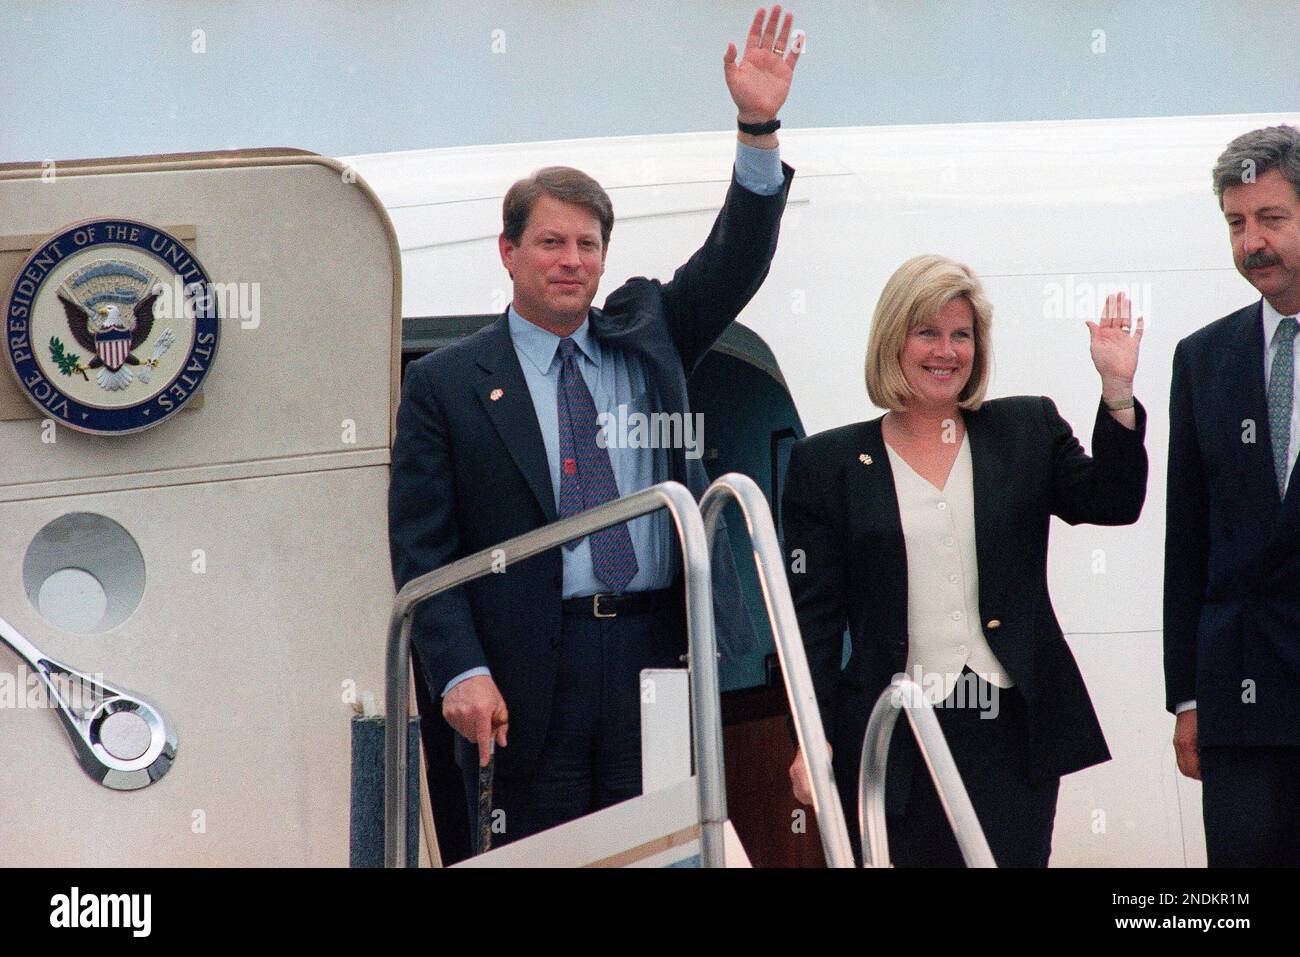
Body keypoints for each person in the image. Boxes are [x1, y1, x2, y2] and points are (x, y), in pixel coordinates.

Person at [389, 6, 801, 852]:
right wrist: (459, 668)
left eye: (586, 243)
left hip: (656, 654)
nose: (571, 259)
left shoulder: (648, 332)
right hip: (526, 671)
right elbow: (423, 546)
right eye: (549, 242)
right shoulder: (443, 384)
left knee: (664, 850)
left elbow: (737, 258)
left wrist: (756, 129)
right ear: (507, 252)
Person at [783, 255, 1147, 866]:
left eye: (961, 334)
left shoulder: (1025, 428)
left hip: (1009, 725)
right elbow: (813, 623)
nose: (946, 351)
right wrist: (807, 735)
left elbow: (1113, 502)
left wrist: (1117, 392)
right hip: (892, 732)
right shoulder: (828, 465)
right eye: (927, 332)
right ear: (892, 340)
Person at [1164, 124, 1300, 867]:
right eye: (1236, 224)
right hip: (1240, 707)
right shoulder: (1202, 359)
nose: (1252, 242)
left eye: (1271, 219)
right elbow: (1185, 542)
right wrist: (1186, 698)